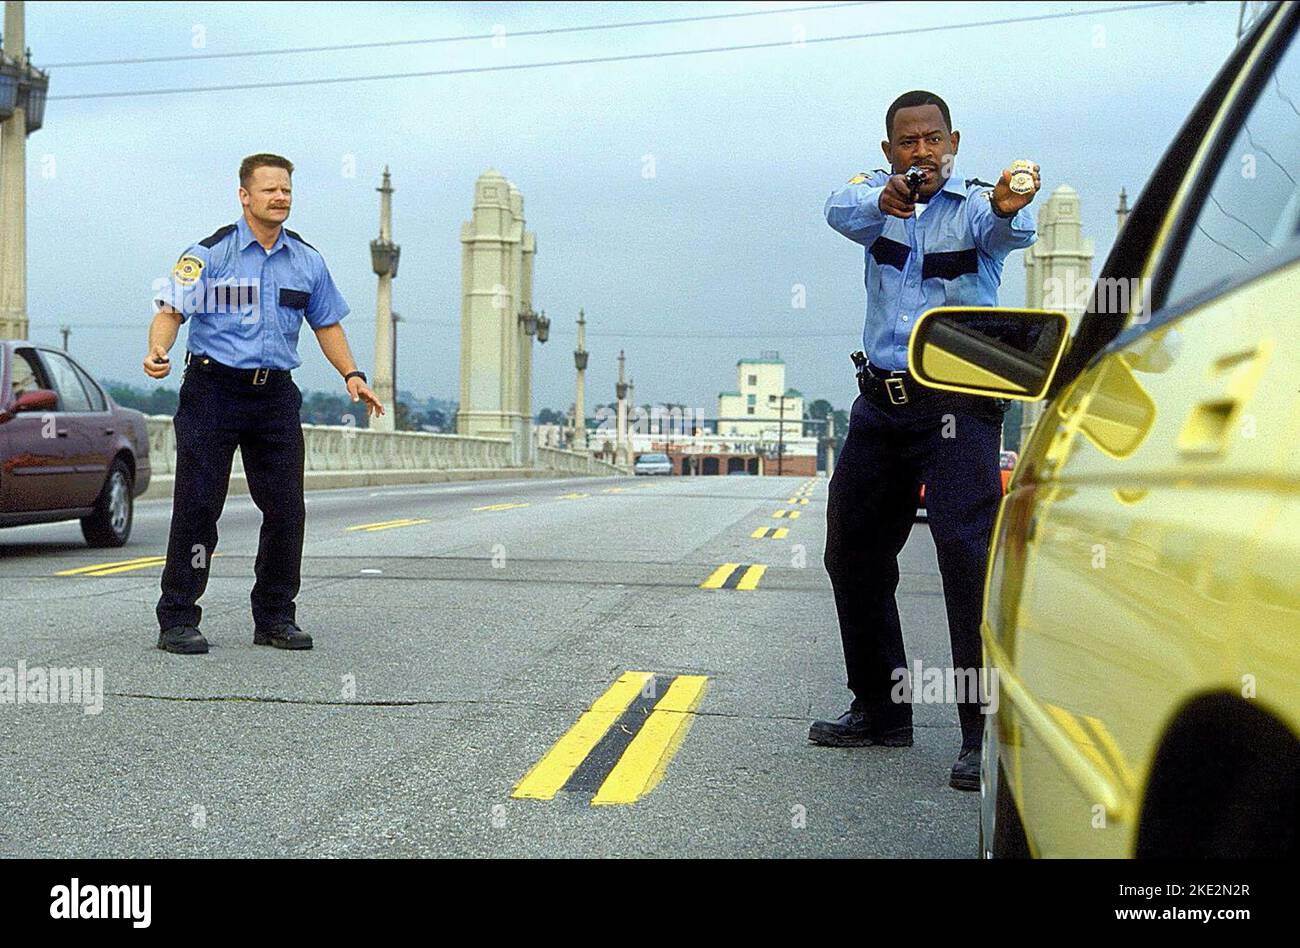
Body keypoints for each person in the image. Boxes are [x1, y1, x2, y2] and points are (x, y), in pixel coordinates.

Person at [812, 91, 1040, 790]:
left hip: (960, 406)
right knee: (852, 551)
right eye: (907, 142)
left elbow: (1011, 227)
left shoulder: (974, 208)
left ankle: (979, 736)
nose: (921, 153)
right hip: (881, 405)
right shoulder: (870, 198)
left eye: (932, 140)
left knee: (964, 559)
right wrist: (885, 199)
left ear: (954, 143)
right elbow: (835, 207)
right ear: (890, 152)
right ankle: (882, 710)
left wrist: (1006, 201)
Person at [143, 152, 384, 655]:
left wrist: (353, 375)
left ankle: (275, 616)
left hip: (274, 395)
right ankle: (178, 617)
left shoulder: (307, 260)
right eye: (270, 189)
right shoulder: (211, 253)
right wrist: (158, 349)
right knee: (198, 507)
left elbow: (326, 323)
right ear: (244, 196)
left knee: (286, 510)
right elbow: (171, 311)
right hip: (213, 391)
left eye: (287, 190)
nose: (280, 198)